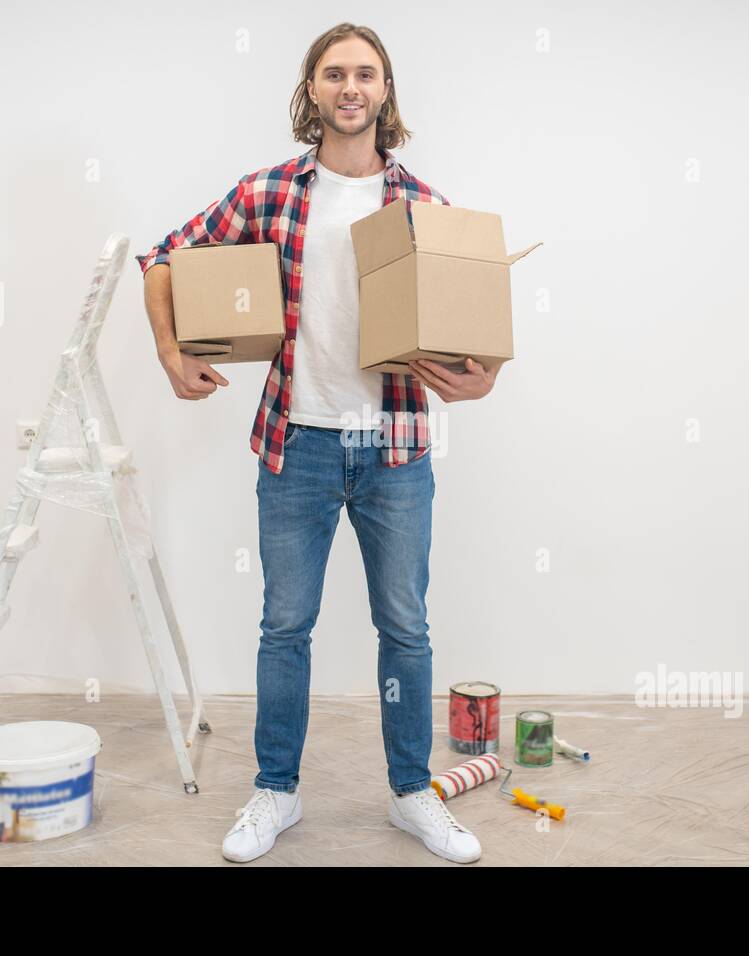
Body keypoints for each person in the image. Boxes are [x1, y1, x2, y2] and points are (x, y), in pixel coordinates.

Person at [139, 23, 500, 864]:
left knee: (405, 629)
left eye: (365, 74)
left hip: (396, 448)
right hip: (294, 445)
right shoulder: (268, 191)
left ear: (385, 92)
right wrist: (170, 352)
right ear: (312, 90)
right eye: (334, 73)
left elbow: (477, 341)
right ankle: (276, 793)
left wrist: (485, 379)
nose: (350, 87)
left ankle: (414, 795)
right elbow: (163, 257)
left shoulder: (427, 210)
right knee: (284, 628)